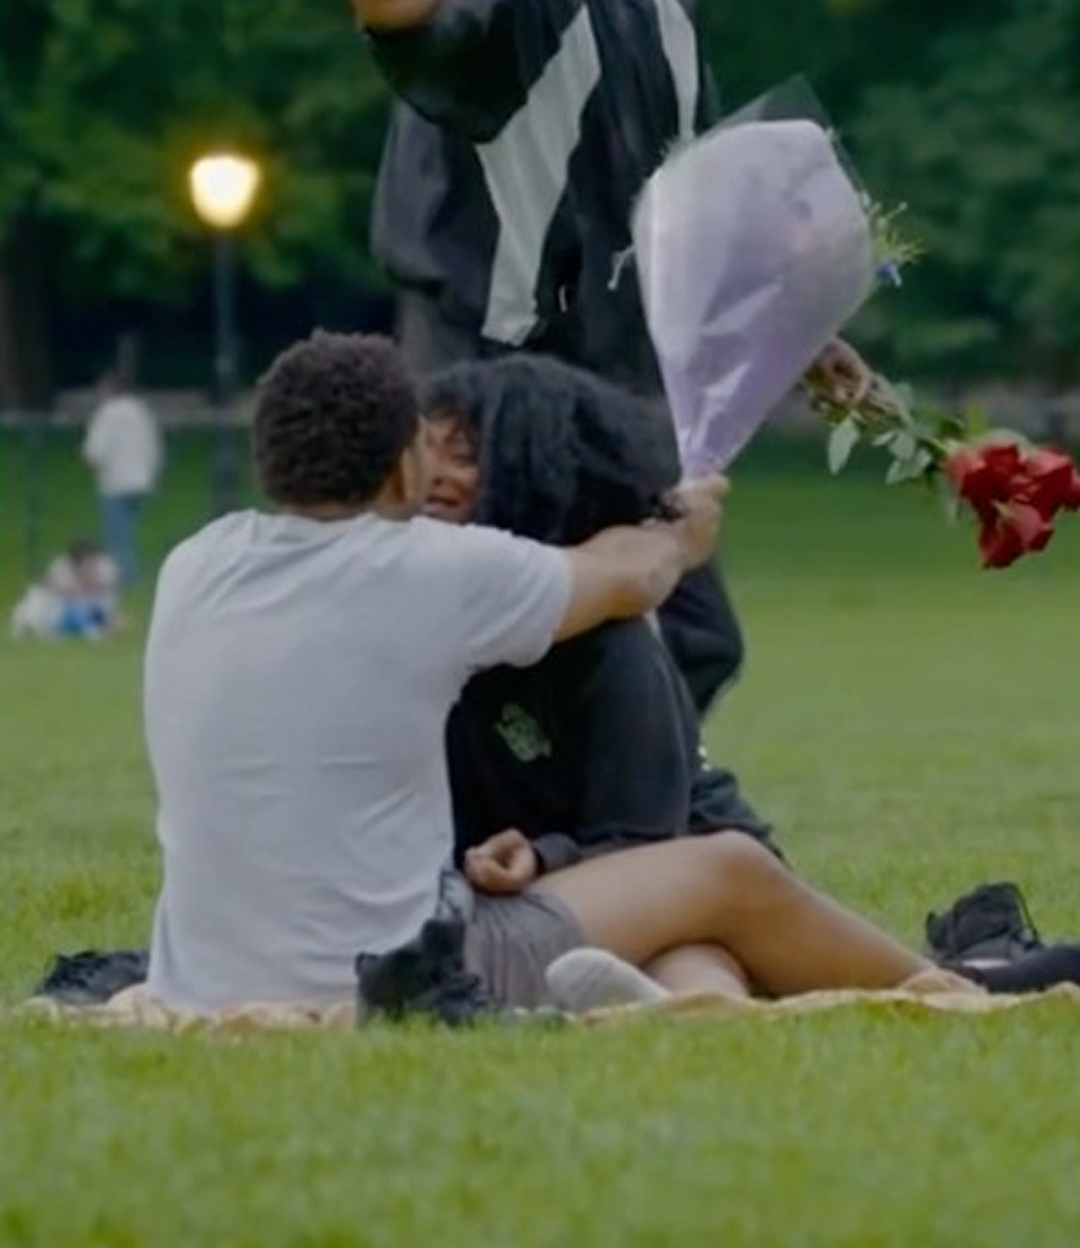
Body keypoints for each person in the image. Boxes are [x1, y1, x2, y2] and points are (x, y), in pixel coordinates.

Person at [331, 0, 869, 717]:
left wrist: (789, 324)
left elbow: (697, 192)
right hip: (483, 363)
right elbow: (452, 37)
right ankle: (479, 834)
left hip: (613, 370)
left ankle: (619, 825)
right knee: (475, 633)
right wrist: (396, 25)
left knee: (695, 632)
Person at [141, 329, 725, 1015]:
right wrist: (682, 532)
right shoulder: (435, 572)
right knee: (725, 883)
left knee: (695, 927)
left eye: (466, 454)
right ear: (398, 471)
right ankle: (872, 994)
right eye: (428, 446)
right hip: (394, 974)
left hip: (202, 981)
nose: (441, 472)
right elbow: (630, 574)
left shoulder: (192, 564)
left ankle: (703, 1005)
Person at [420, 354, 781, 872]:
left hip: (670, 876)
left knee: (691, 955)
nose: (431, 477)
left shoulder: (608, 644)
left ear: (539, 474)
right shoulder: (412, 607)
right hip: (551, 889)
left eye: (464, 457)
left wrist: (545, 858)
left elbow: (642, 847)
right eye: (423, 454)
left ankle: (923, 960)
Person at [81, 367, 163, 586]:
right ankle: (128, 571)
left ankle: (126, 576)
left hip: (115, 482)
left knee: (118, 533)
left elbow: (95, 451)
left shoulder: (107, 413)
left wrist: (92, 466)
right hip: (142, 480)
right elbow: (153, 447)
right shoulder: (141, 411)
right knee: (128, 528)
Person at [10, 538, 122, 641]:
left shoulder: (104, 565)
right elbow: (55, 585)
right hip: (66, 610)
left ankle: (94, 629)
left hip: (95, 607)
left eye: (89, 559)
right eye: (83, 561)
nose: (87, 565)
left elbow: (110, 584)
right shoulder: (62, 567)